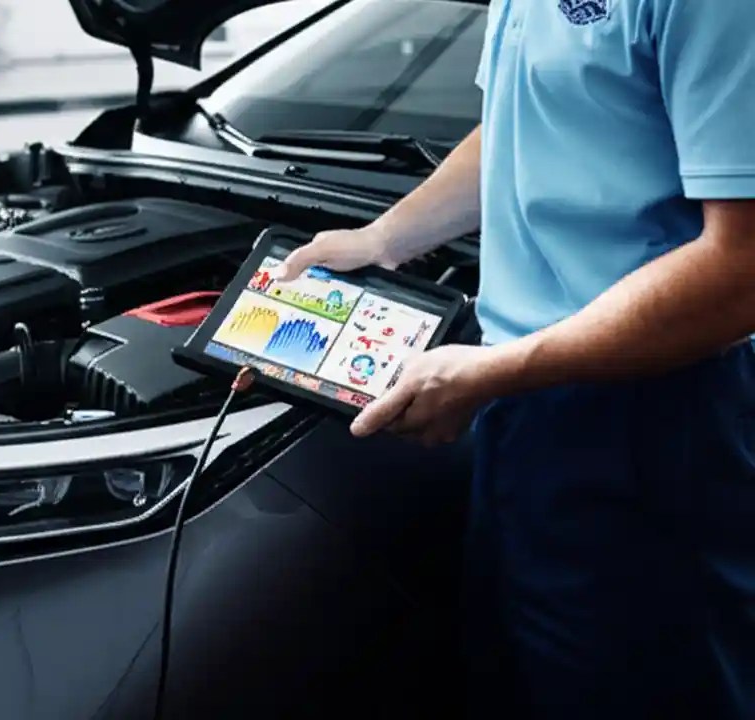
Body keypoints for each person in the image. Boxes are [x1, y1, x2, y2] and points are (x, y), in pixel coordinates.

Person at [272, 1, 755, 718]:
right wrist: (384, 240)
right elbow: (518, 123)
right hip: (522, 407)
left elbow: (739, 269)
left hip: (655, 421)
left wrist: (498, 370)